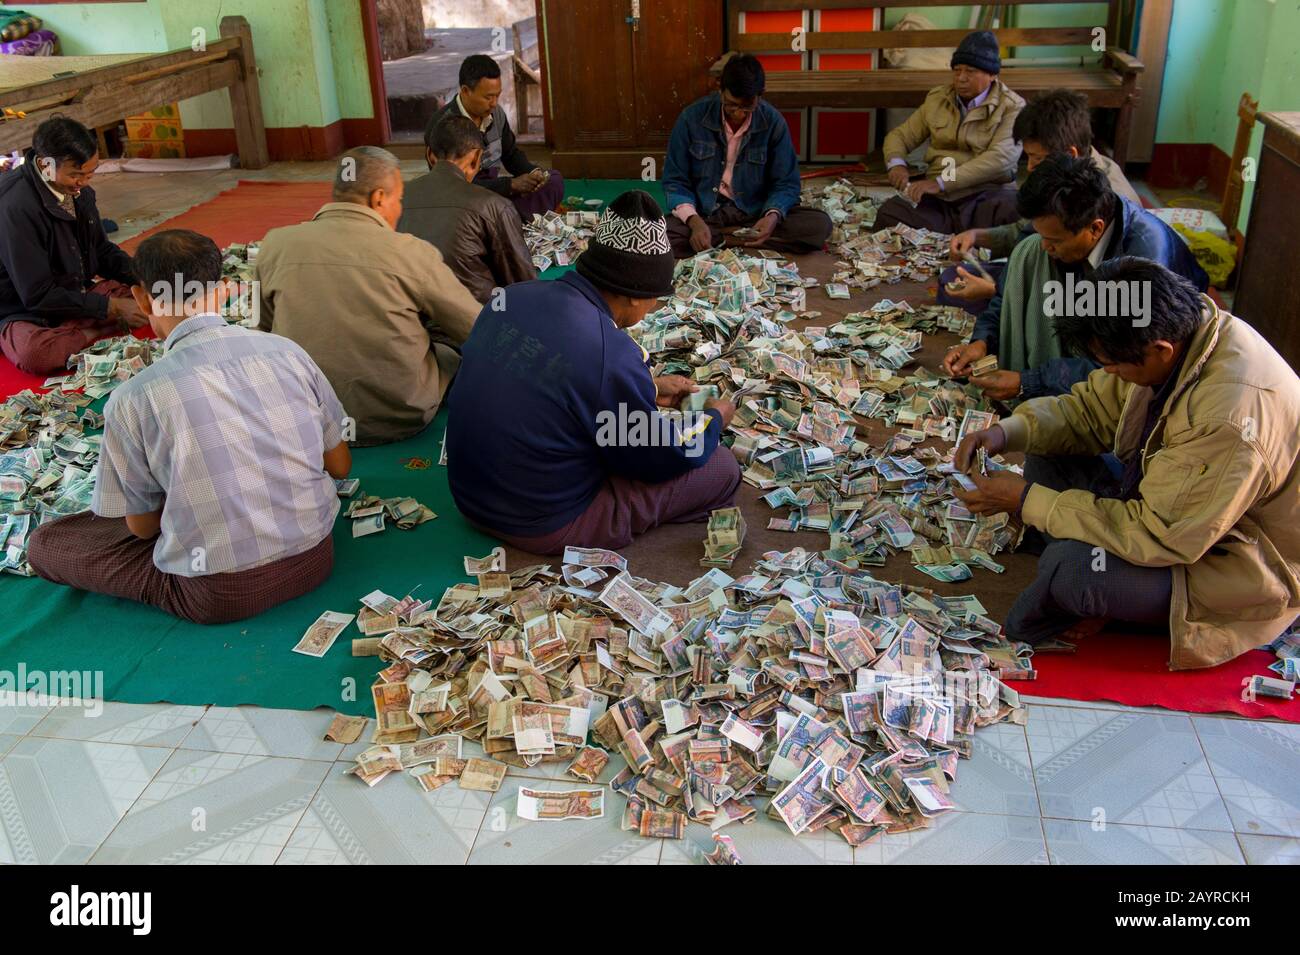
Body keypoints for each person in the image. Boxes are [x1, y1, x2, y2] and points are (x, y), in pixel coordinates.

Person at [953, 257, 1300, 670]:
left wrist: (1027, 501)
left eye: (1113, 365)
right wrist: (1005, 433)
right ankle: (1101, 583)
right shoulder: (1182, 336)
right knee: (1048, 454)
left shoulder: (1227, 418)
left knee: (1077, 572)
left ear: (1160, 351)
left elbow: (1159, 534)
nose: (1110, 373)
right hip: (1171, 502)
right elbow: (1090, 409)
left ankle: (1101, 594)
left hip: (1232, 564)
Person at [27, 230, 350, 624]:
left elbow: (143, 528)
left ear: (142, 298)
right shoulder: (288, 352)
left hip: (217, 594)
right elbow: (339, 466)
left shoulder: (134, 397)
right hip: (316, 559)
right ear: (226, 289)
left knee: (46, 544)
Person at [445, 190, 742, 553]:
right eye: (655, 298)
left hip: (469, 499)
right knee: (722, 467)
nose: (652, 308)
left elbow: (552, 379)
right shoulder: (610, 353)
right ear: (635, 294)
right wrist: (713, 418)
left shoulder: (512, 298)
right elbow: (659, 457)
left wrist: (646, 388)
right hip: (540, 522)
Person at [256, 146, 482, 446]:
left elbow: (264, 330)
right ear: (379, 198)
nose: (399, 209)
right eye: (398, 199)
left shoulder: (275, 244)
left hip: (308, 416)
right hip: (398, 417)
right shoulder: (411, 251)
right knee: (448, 343)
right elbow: (475, 328)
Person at [944, 154, 1210, 401]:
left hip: (1137, 366)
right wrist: (981, 341)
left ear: (1095, 229)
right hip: (1090, 323)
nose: (1047, 246)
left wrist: (1028, 381)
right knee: (1028, 250)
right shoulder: (1059, 220)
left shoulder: (1142, 264)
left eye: (1055, 241)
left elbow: (1120, 363)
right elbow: (1006, 293)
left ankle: (1037, 393)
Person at [941, 88, 1143, 313]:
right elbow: (1028, 230)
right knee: (950, 279)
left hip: (1080, 298)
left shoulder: (1102, 201)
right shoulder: (1065, 179)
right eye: (1028, 157)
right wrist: (976, 236)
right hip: (1051, 276)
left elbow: (1103, 304)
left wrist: (998, 292)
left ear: (1070, 154)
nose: (1029, 167)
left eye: (1038, 159)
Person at [0, 116, 146, 375]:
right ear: (46, 165)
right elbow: (37, 295)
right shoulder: (15, 206)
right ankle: (93, 328)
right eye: (76, 174)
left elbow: (101, 251)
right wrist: (109, 308)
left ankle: (77, 329)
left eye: (90, 172)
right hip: (20, 308)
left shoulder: (80, 193)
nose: (85, 182)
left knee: (143, 296)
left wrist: (143, 278)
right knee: (37, 354)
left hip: (72, 291)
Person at [662, 53, 831, 258]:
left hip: (753, 213)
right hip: (707, 213)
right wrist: (695, 222)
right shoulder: (691, 118)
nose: (738, 113)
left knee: (818, 226)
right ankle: (734, 239)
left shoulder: (773, 122)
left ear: (761, 95)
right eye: (731, 104)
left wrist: (772, 216)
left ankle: (725, 239)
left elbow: (787, 183)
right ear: (720, 88)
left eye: (747, 106)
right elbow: (675, 181)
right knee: (656, 236)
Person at [874, 31, 1025, 233]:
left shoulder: (1012, 107)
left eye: (970, 71)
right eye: (957, 70)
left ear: (992, 75)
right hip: (941, 199)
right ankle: (956, 231)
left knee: (1015, 210)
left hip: (985, 193)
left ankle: (953, 232)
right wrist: (897, 164)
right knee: (890, 212)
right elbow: (901, 135)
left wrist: (942, 182)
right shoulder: (938, 98)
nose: (961, 78)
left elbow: (1001, 159)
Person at [398, 114, 536, 305]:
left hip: (408, 317)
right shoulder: (495, 205)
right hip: (473, 321)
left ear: (430, 155)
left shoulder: (396, 198)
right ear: (477, 158)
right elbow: (522, 282)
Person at [431, 54, 563, 222]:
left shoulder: (496, 114)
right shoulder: (443, 125)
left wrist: (532, 173)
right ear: (465, 91)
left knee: (553, 180)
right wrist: (510, 185)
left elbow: (510, 154)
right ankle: (511, 219)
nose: (494, 103)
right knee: (482, 209)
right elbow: (449, 185)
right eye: (488, 97)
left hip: (497, 192)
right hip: (466, 199)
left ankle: (510, 219)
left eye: (497, 96)